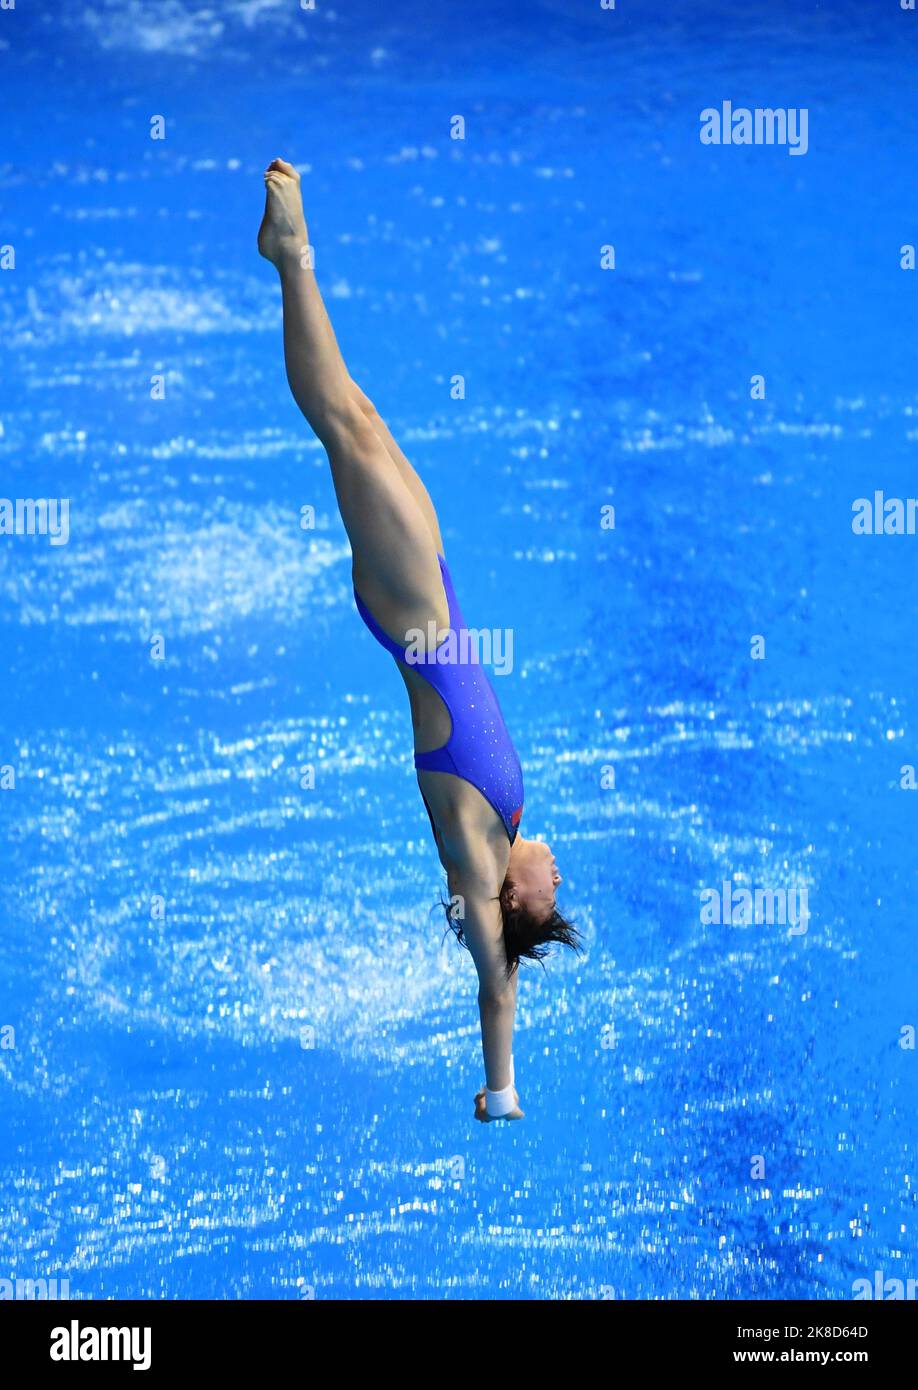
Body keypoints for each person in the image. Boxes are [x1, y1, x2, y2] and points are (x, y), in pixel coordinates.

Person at [258, 159, 580, 1121]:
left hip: (410, 610)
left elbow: (497, 986)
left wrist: (502, 1087)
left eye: (551, 891)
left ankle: (290, 254)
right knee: (360, 416)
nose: (557, 875)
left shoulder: (482, 875)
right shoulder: (505, 831)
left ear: (515, 903)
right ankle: (291, 258)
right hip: (430, 590)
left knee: (342, 424)